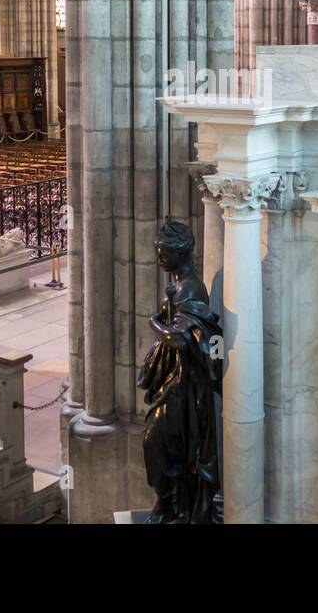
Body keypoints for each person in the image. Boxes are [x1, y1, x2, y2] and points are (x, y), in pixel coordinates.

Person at [137, 217, 223, 523]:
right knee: (163, 445)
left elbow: (179, 338)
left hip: (184, 386)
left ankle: (170, 505)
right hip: (173, 380)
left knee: (156, 442)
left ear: (182, 253)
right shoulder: (178, 285)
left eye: (164, 252)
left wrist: (153, 322)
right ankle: (169, 504)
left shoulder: (190, 289)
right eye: (159, 251)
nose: (159, 257)